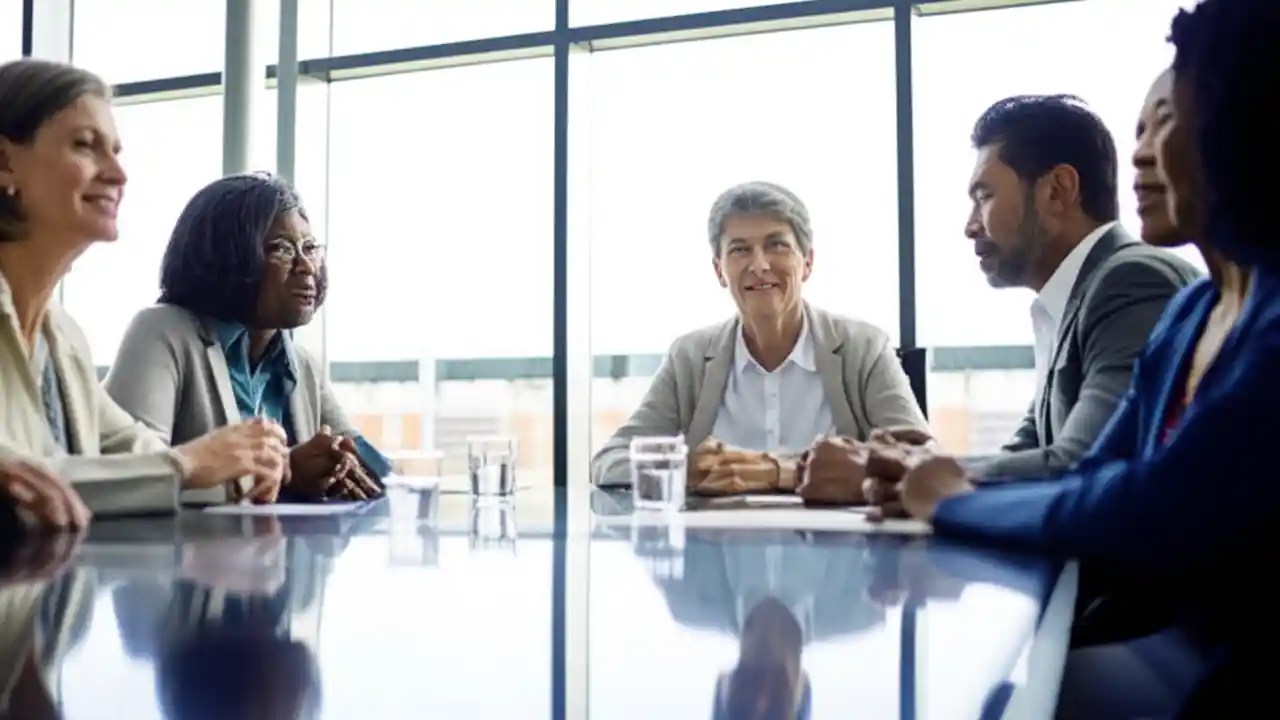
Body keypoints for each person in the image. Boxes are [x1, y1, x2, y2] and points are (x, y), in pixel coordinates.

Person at [889, 0, 1280, 711]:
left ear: (1239, 121)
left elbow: (1151, 501)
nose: (1140, 153)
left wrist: (947, 499)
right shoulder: (1193, 311)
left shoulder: (1194, 298)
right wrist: (932, 479)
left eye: (1166, 121)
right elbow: (1101, 466)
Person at [0, 59, 287, 529]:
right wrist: (191, 465)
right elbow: (25, 488)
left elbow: (131, 459)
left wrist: (238, 470)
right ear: (5, 162)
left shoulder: (63, 337)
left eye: (116, 151)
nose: (118, 173)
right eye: (85, 146)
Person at [591, 181, 928, 489]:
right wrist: (681, 469)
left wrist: (777, 471)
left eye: (777, 245)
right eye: (739, 250)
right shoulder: (689, 357)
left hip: (837, 549)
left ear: (807, 262)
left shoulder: (863, 348)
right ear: (719, 270)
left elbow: (922, 461)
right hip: (718, 546)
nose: (760, 264)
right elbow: (609, 461)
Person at [955, 94, 1200, 480]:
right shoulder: (1073, 295)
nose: (970, 226)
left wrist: (914, 474)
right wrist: (906, 467)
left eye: (984, 196)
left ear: (1058, 189)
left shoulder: (1131, 280)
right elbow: (1029, 451)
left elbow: (1083, 463)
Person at [105, 172, 388, 502]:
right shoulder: (161, 332)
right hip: (175, 552)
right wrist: (283, 474)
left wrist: (346, 464)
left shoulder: (301, 363)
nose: (307, 267)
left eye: (310, 248)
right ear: (226, 256)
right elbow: (130, 477)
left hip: (274, 553)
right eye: (281, 249)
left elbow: (375, 470)